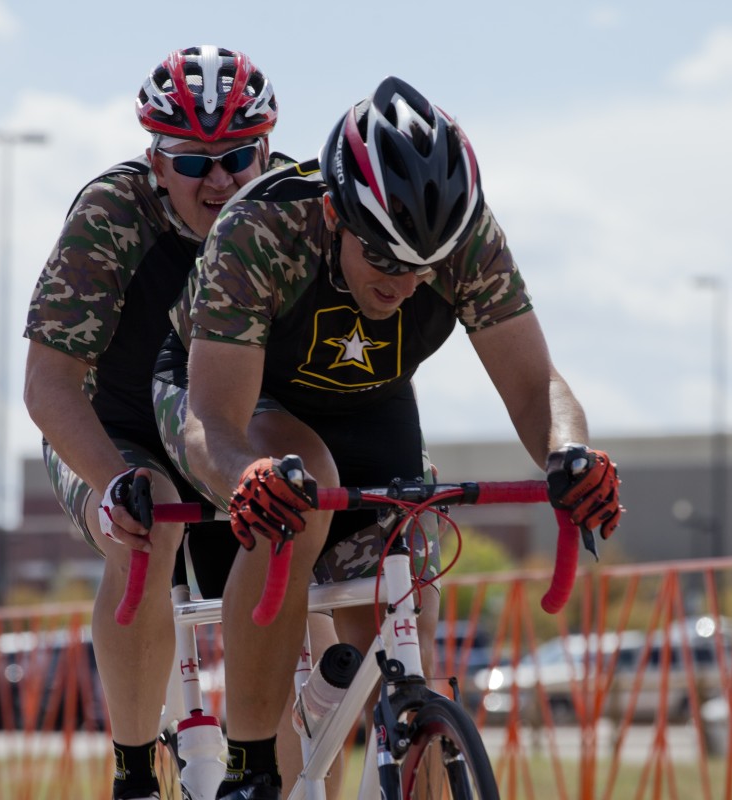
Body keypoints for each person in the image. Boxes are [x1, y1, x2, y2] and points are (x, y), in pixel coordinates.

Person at [152, 75, 623, 799]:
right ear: (337, 212)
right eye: (384, 259)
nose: (405, 283)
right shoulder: (263, 231)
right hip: (232, 397)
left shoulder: (466, 237)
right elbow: (213, 422)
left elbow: (536, 388)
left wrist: (570, 453)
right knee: (295, 485)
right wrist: (251, 478)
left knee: (404, 638)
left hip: (368, 401)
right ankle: (251, 767)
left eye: (424, 266)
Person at [23, 46, 329, 800]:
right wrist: (113, 481)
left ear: (267, 146)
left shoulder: (292, 205)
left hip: (224, 430)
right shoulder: (110, 215)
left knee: (289, 531)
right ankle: (134, 773)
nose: (221, 181)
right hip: (108, 428)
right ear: (156, 159)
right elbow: (47, 386)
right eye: (194, 162)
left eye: (238, 156)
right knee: (148, 519)